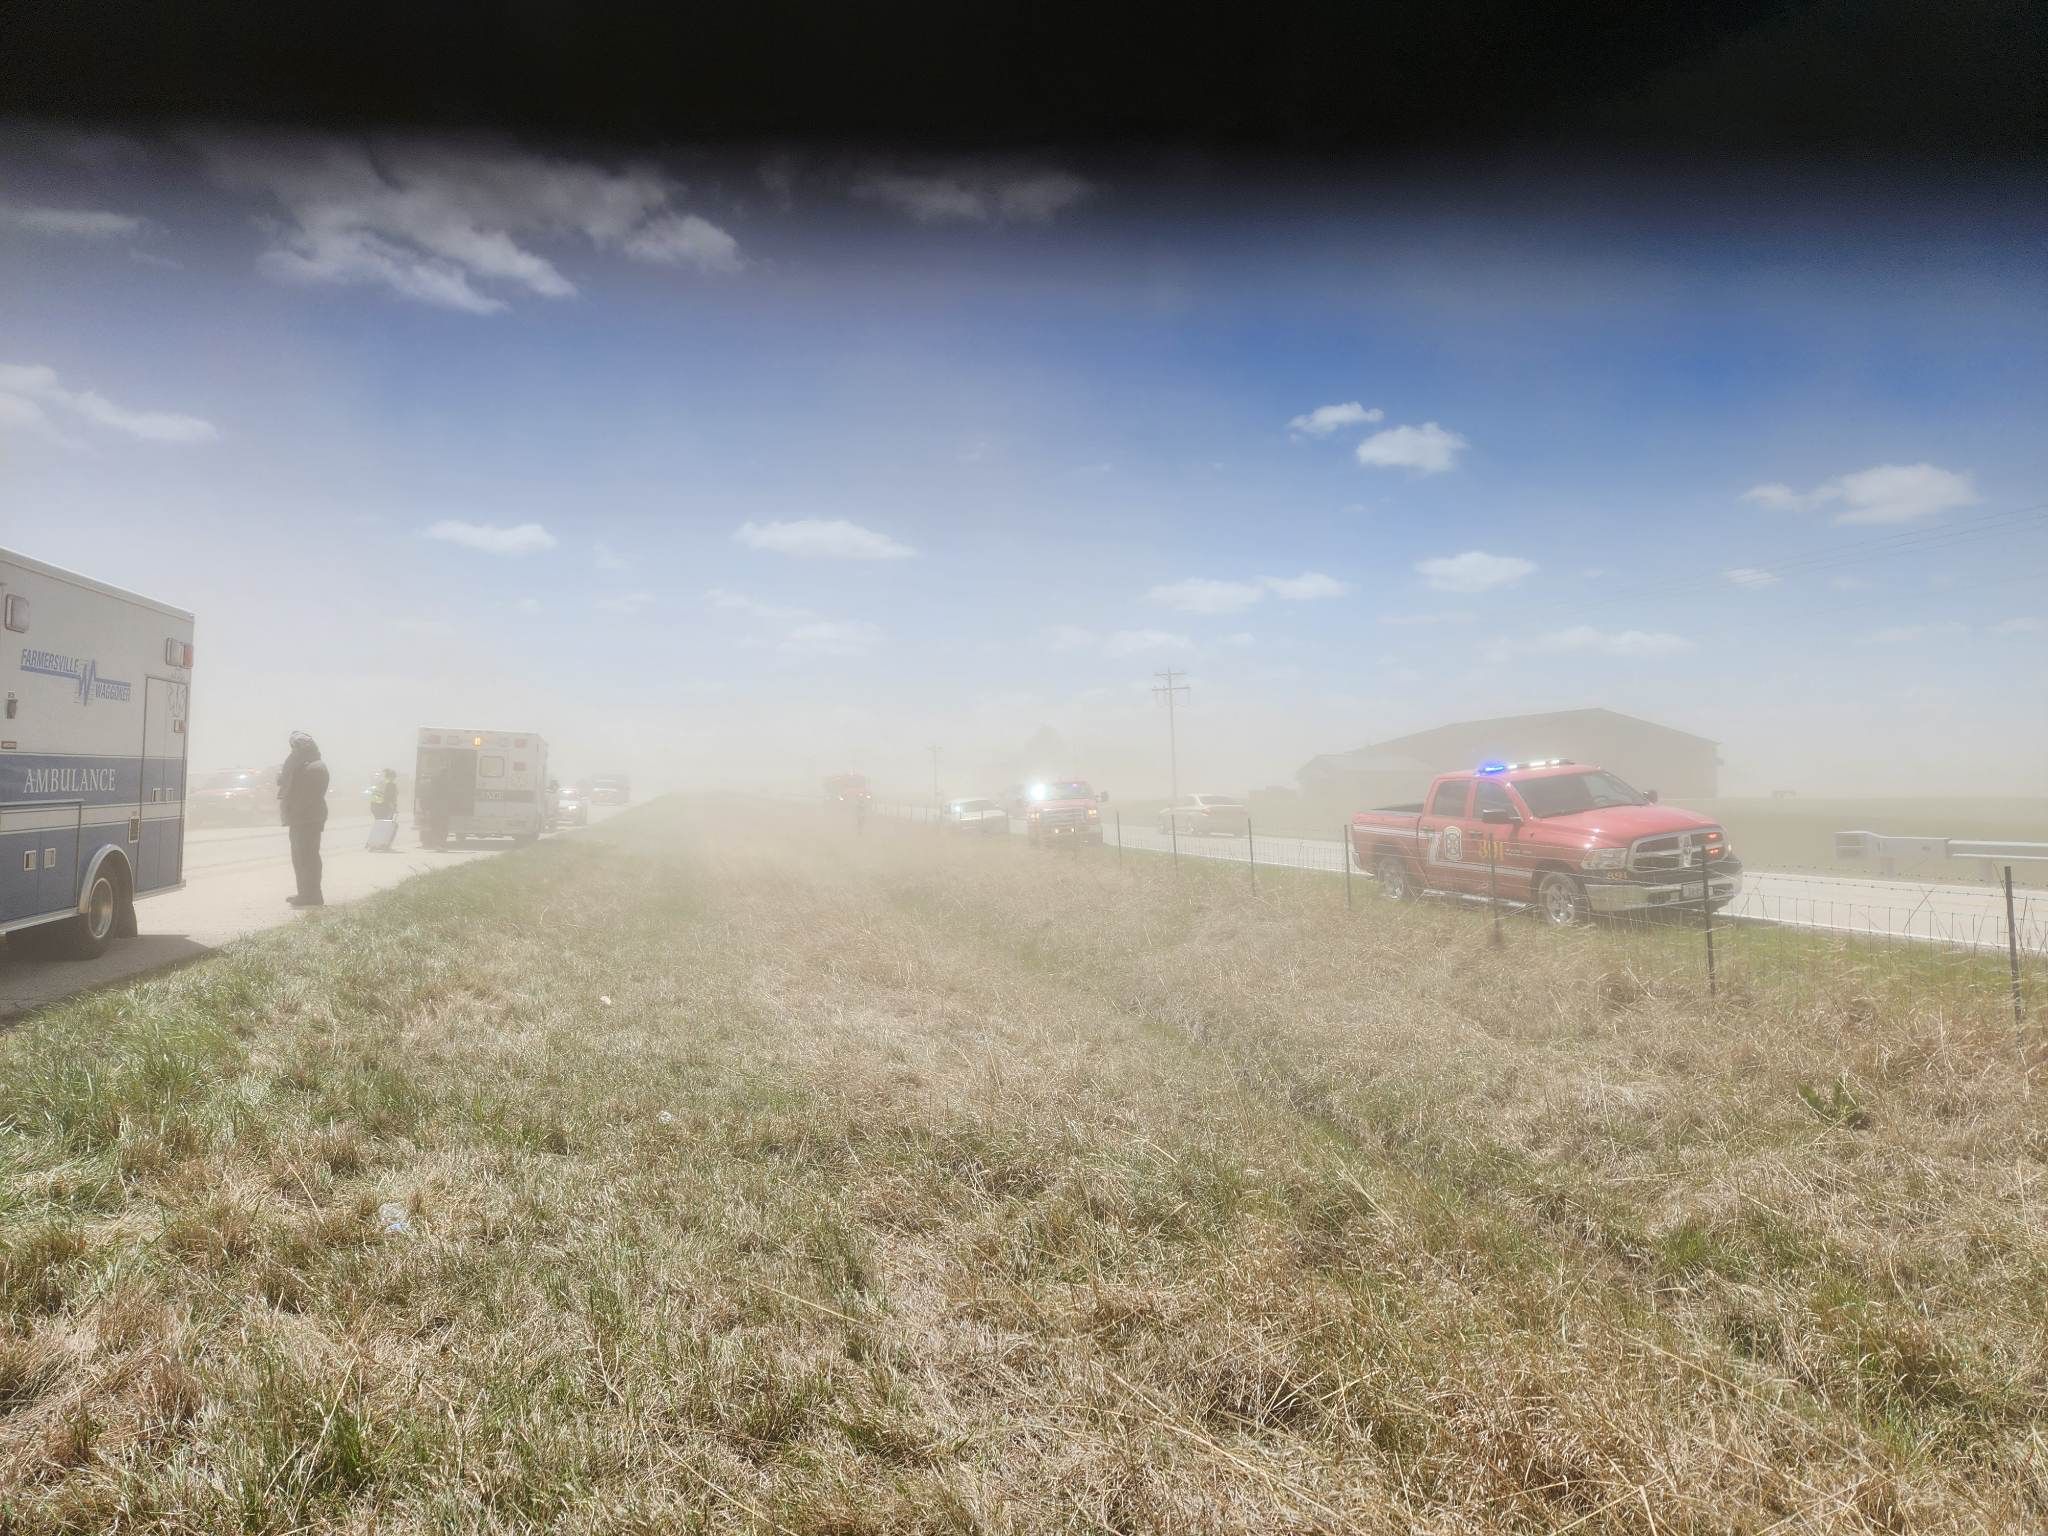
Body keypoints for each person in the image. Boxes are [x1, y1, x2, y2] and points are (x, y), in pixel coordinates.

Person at [278, 731, 330, 907]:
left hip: (306, 818)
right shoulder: (307, 764)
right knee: (301, 858)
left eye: (294, 747)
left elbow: (303, 795)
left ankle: (311, 896)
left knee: (306, 858)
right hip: (303, 818)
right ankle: (306, 893)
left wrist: (294, 810)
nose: (292, 751)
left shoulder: (313, 767)